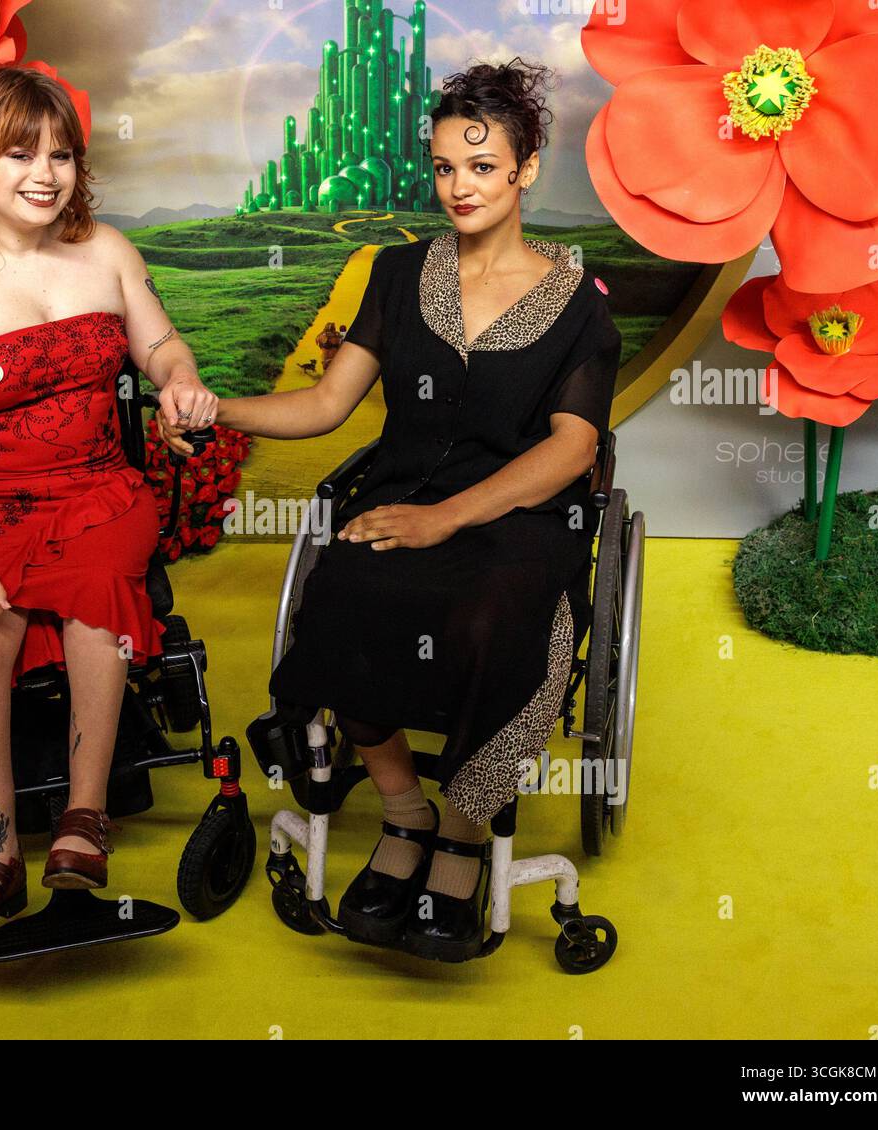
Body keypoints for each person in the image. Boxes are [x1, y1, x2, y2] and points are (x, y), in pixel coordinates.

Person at [162, 58, 620, 961]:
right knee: (346, 590)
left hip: (524, 516)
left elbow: (573, 447)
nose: (459, 187)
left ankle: (460, 831)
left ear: (526, 169)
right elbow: (327, 404)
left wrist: (451, 520)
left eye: (482, 168)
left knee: (496, 613)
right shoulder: (398, 273)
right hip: (403, 494)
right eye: (446, 167)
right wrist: (216, 408)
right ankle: (404, 812)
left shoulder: (577, 303)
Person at [0, 66, 217, 947]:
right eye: (19, 152)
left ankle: (83, 824)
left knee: (93, 606)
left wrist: (180, 378)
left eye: (62, 155)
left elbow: (161, 347)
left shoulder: (107, 254)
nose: (45, 173)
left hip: (97, 492)